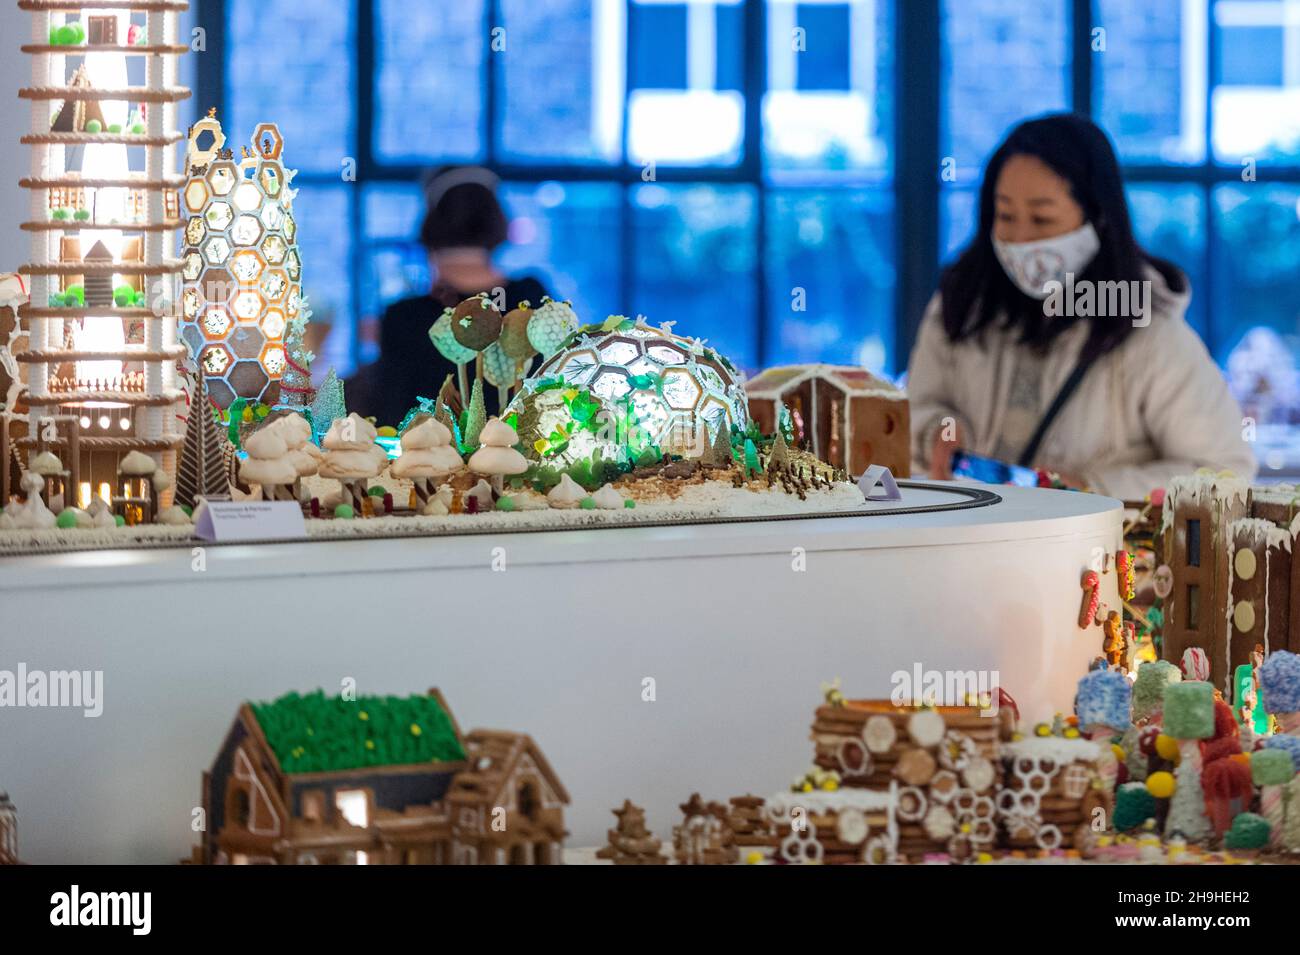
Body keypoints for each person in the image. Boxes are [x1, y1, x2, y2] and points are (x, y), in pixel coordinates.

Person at [907, 114, 1255, 499]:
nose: (1021, 238)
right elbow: (914, 409)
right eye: (1005, 215)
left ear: (1098, 218)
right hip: (968, 548)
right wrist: (936, 434)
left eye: (1042, 218)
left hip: (1094, 557)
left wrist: (1091, 489)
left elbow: (1227, 473)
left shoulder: (1149, 332)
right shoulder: (962, 306)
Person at [351, 166, 548, 427]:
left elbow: (389, 417)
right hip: (524, 463)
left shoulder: (405, 316)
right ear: (497, 222)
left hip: (424, 463)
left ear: (429, 224)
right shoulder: (531, 297)